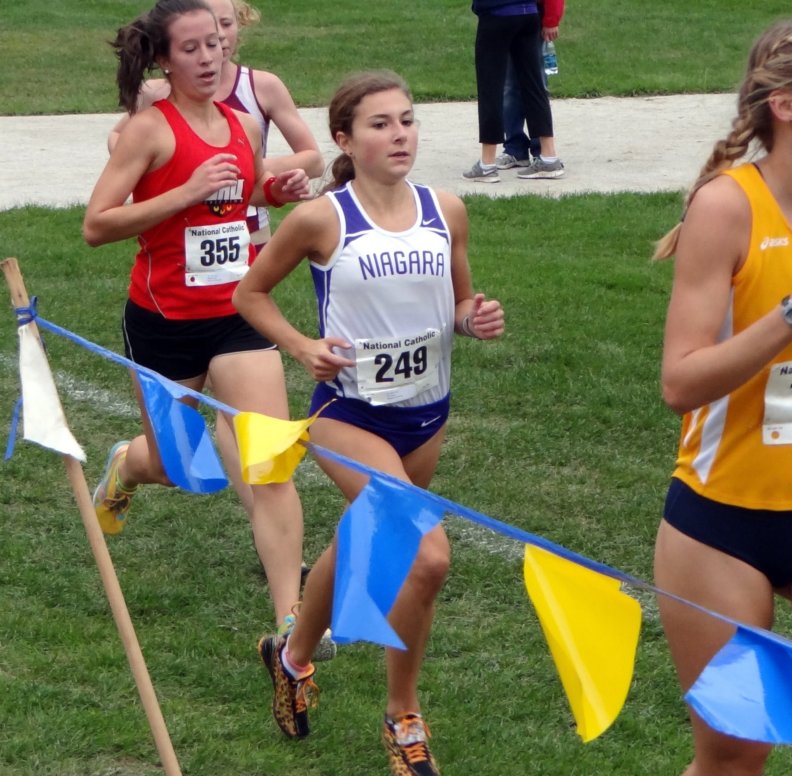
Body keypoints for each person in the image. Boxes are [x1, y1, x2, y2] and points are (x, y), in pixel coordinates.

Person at [233, 70, 505, 775]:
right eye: (381, 124)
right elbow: (251, 293)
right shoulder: (324, 218)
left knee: (362, 537)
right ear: (345, 138)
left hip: (425, 413)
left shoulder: (446, 209)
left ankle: (290, 659)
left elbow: (458, 304)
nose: (400, 135)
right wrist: (301, 346)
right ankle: (404, 716)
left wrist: (474, 320)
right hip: (346, 412)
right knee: (428, 555)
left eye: (408, 120)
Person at [82, 0, 331, 657]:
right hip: (164, 322)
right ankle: (127, 463)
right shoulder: (148, 130)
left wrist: (275, 193)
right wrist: (184, 192)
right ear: (164, 59)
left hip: (238, 314)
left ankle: (291, 625)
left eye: (214, 44)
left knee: (272, 460)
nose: (207, 57)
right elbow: (97, 224)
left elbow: (240, 195)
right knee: (173, 462)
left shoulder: (241, 122)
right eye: (189, 49)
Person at [652, 18, 792, 776]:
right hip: (723, 524)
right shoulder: (728, 206)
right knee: (737, 755)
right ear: (787, 104)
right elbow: (680, 381)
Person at [107, 0, 324, 251]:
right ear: (165, 57)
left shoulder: (248, 117)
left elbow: (311, 161)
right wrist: (157, 168)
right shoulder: (154, 102)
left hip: (248, 235)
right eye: (191, 47)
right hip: (175, 248)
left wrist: (245, 176)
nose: (213, 48)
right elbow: (119, 142)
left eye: (223, 28)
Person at [463, 0, 564, 183]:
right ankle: (549, 157)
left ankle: (487, 164)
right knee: (534, 86)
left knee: (490, 88)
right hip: (529, 13)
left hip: (497, 13)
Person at [495, 0, 564, 171]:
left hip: (534, 13)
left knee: (535, 85)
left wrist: (551, 20)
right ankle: (515, 147)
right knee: (510, 86)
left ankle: (541, 148)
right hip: (511, 11)